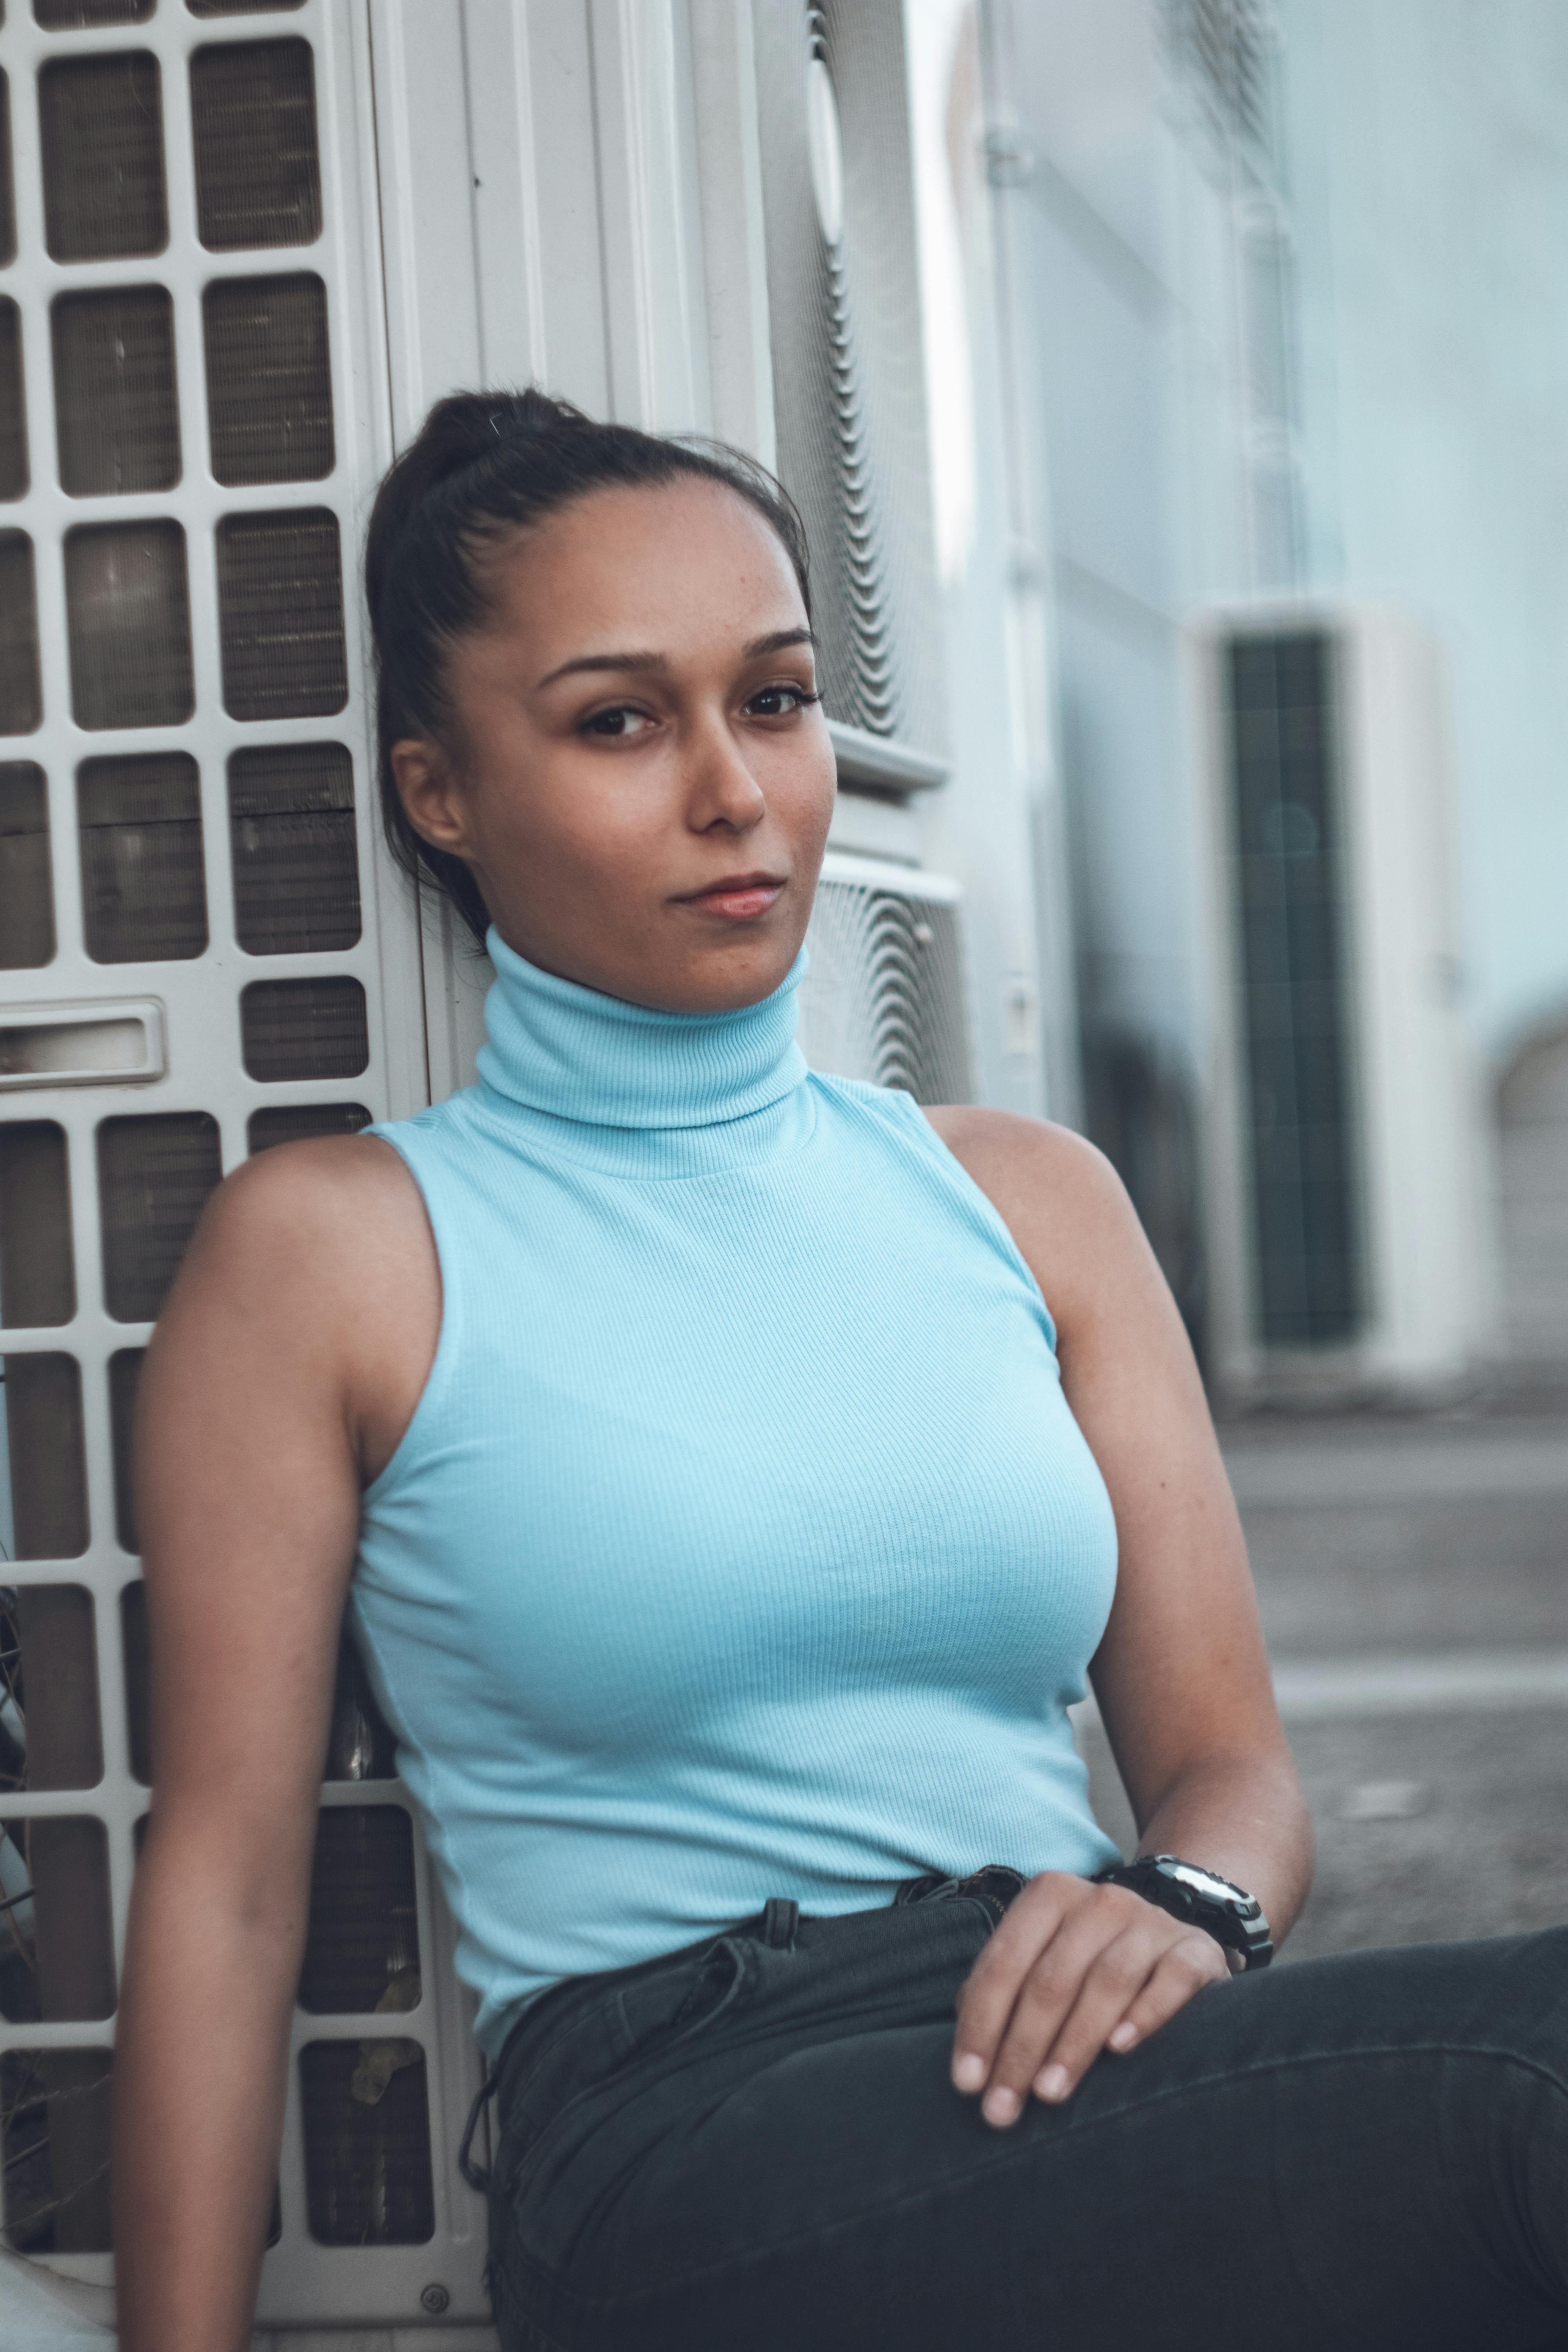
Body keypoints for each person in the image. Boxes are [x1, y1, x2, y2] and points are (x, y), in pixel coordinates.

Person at [113, 391, 1568, 2352]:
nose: (732, 790)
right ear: (439, 792)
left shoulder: (1027, 1199)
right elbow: (223, 1892)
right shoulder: (334, 1253)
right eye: (619, 721)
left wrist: (1189, 1904)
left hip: (1081, 2039)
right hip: (687, 2129)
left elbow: (1230, 1770)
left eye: (775, 700)